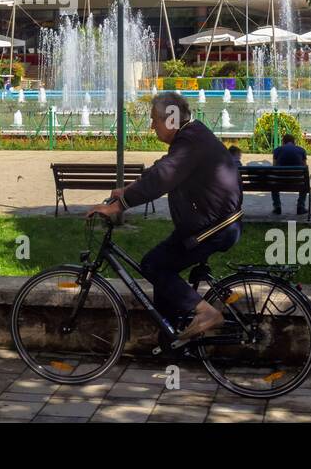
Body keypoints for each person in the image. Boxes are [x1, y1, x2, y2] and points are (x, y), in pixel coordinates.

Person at [88, 92, 242, 344]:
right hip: (213, 223)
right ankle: (168, 338)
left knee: (154, 265)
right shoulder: (190, 137)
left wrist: (120, 206)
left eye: (153, 120)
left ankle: (205, 313)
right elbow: (163, 167)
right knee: (161, 266)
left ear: (170, 119)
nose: (151, 126)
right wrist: (127, 190)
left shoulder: (190, 141)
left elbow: (164, 176)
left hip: (212, 227)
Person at [271, 132, 310, 215]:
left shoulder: (277, 150)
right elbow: (305, 167)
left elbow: (274, 167)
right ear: (294, 142)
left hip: (279, 181)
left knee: (273, 181)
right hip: (298, 181)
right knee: (306, 181)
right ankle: (300, 206)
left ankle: (277, 206)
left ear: (283, 142)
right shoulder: (301, 150)